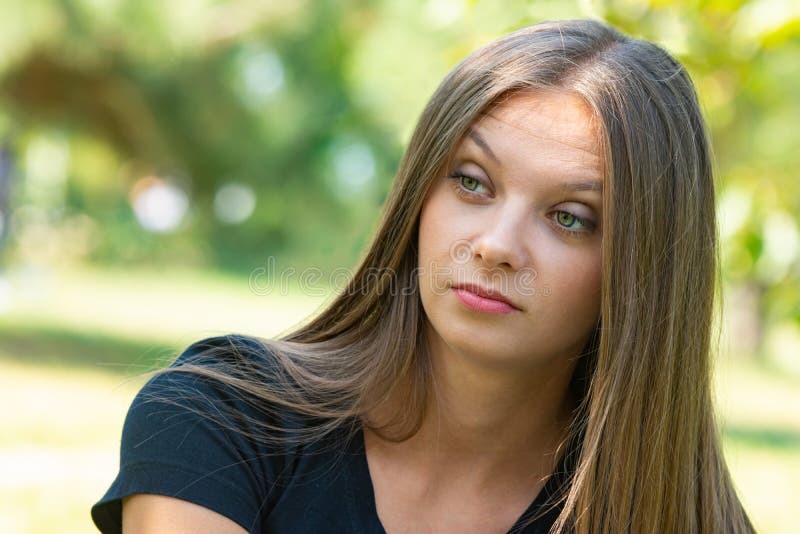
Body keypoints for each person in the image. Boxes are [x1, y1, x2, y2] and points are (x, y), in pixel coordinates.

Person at [91, 19, 755, 533]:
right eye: (471, 182)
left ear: (642, 273)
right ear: (418, 195)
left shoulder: (678, 516)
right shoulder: (220, 419)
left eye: (571, 217)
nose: (496, 247)